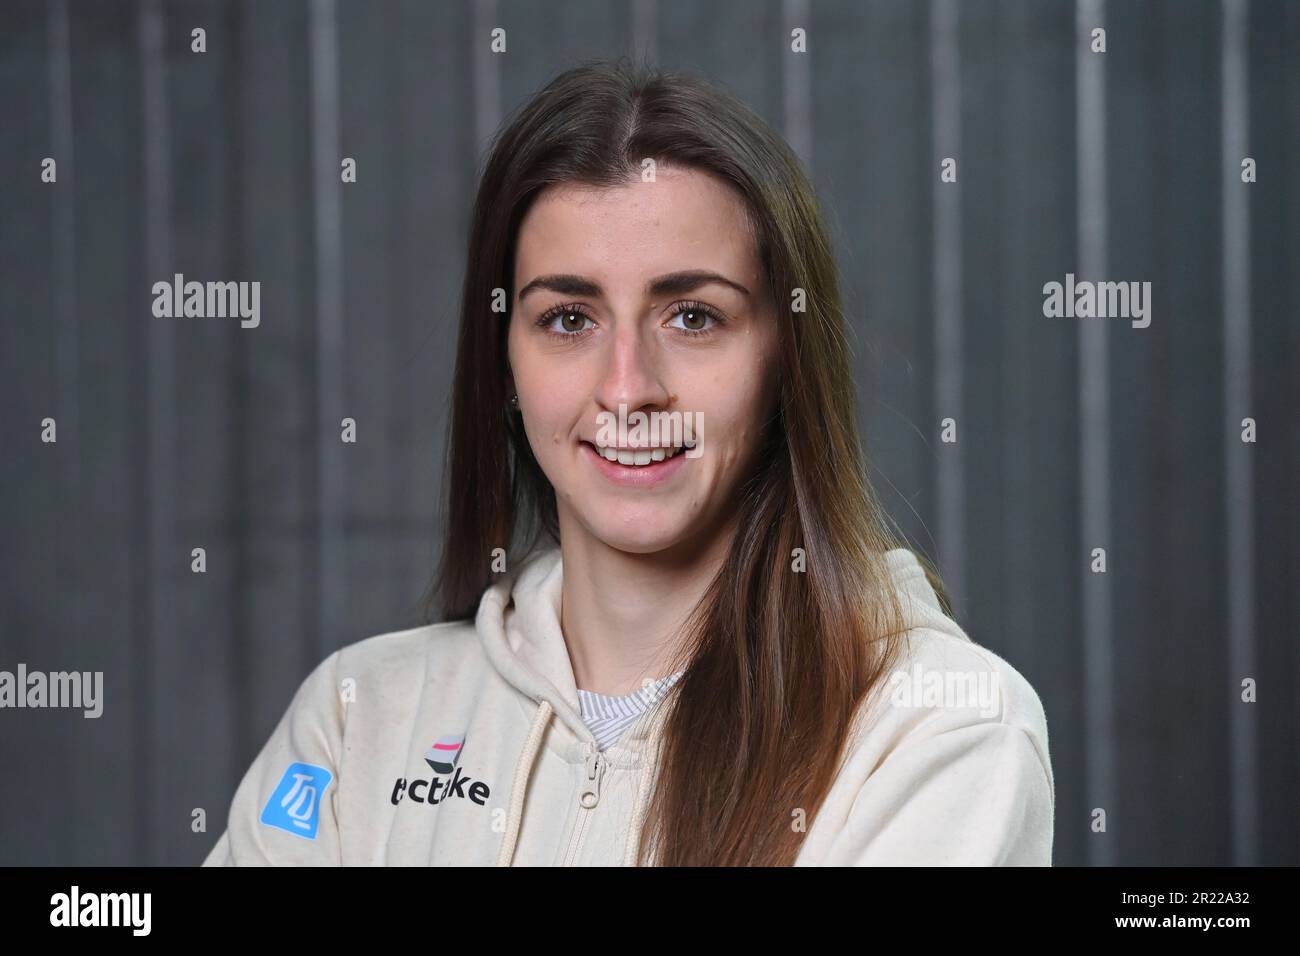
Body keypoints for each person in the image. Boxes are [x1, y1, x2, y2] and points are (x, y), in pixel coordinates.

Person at [203, 57, 1053, 867]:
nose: (627, 388)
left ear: (785, 355)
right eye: (569, 319)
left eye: (692, 316)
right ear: (504, 361)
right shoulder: (358, 719)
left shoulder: (937, 728)